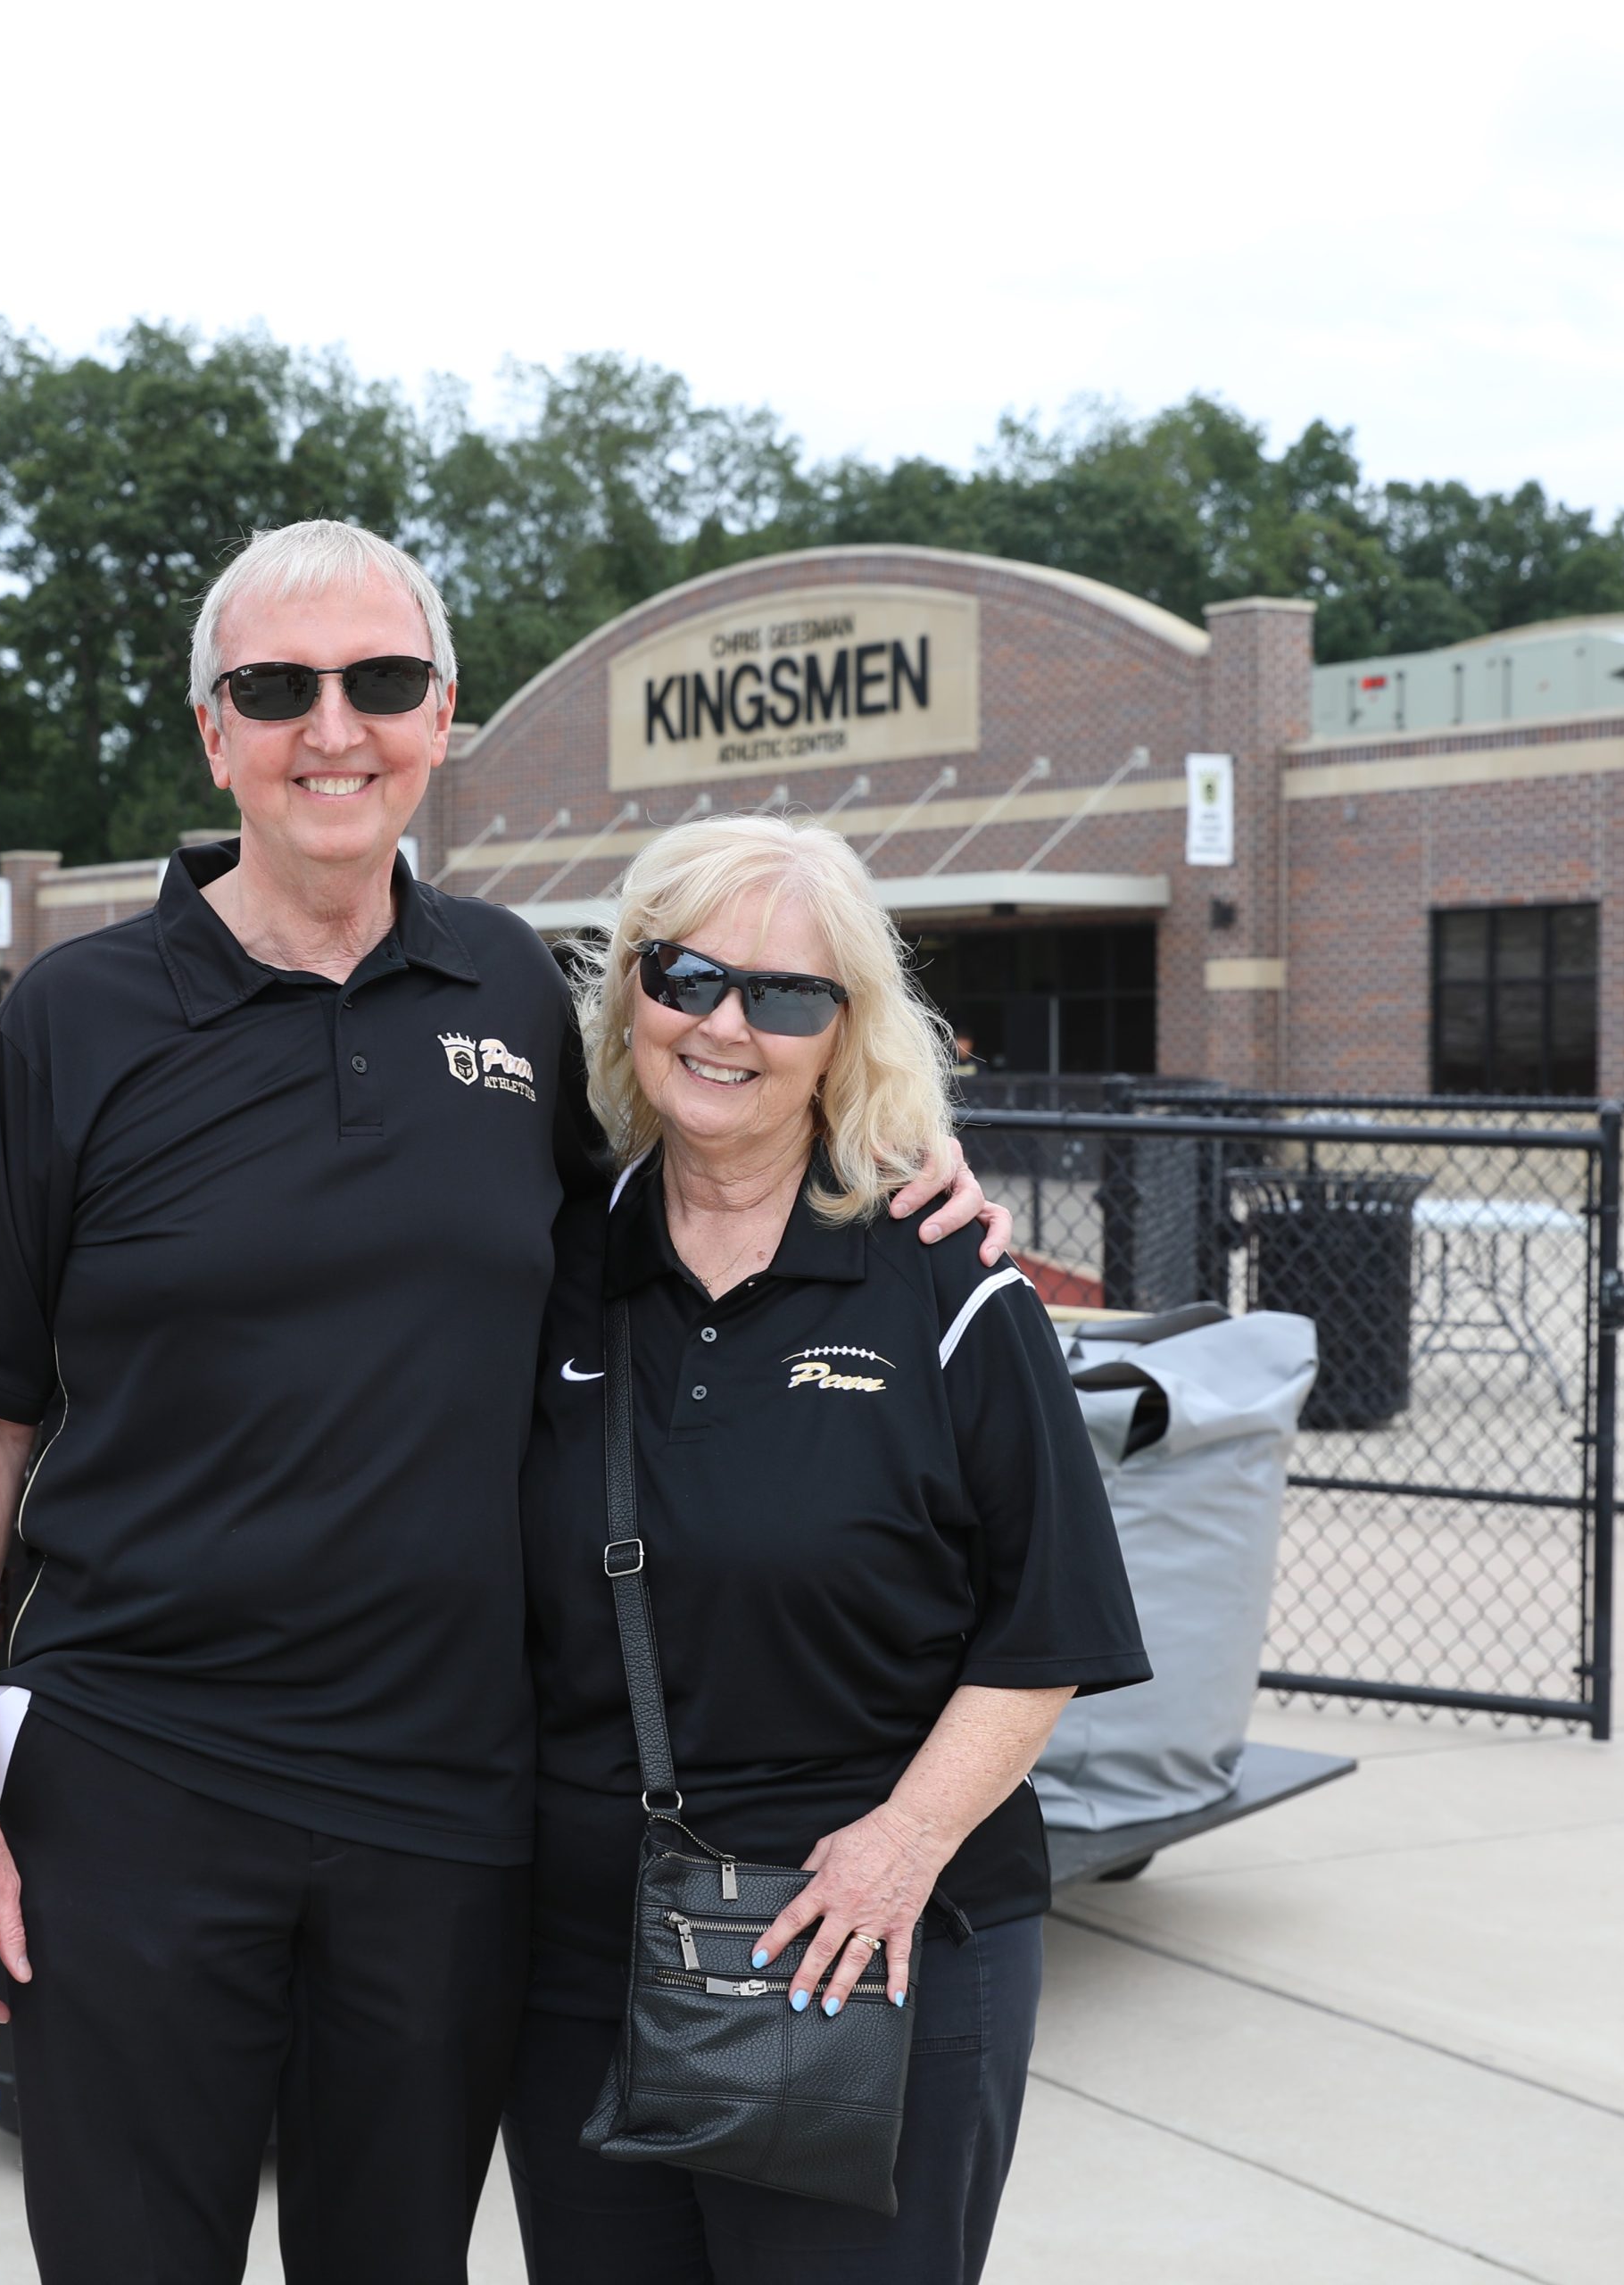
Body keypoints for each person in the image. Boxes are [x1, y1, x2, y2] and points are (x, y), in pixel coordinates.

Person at [0, 523, 1014, 2285]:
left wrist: (898, 1134)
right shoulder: (68, 1020)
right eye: (277, 689)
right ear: (214, 732)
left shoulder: (511, 994)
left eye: (379, 683)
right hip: (139, 1784)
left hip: (444, 1806)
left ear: (439, 713)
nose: (332, 727)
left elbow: (707, 1126)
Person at [509, 815, 1150, 2284]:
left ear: (844, 1032)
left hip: (865, 1951)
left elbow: (1045, 1629)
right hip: (582, 1971)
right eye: (687, 976)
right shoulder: (550, 1261)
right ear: (629, 991)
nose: (727, 1025)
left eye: (786, 996)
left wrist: (896, 1855)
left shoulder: (945, 1279)